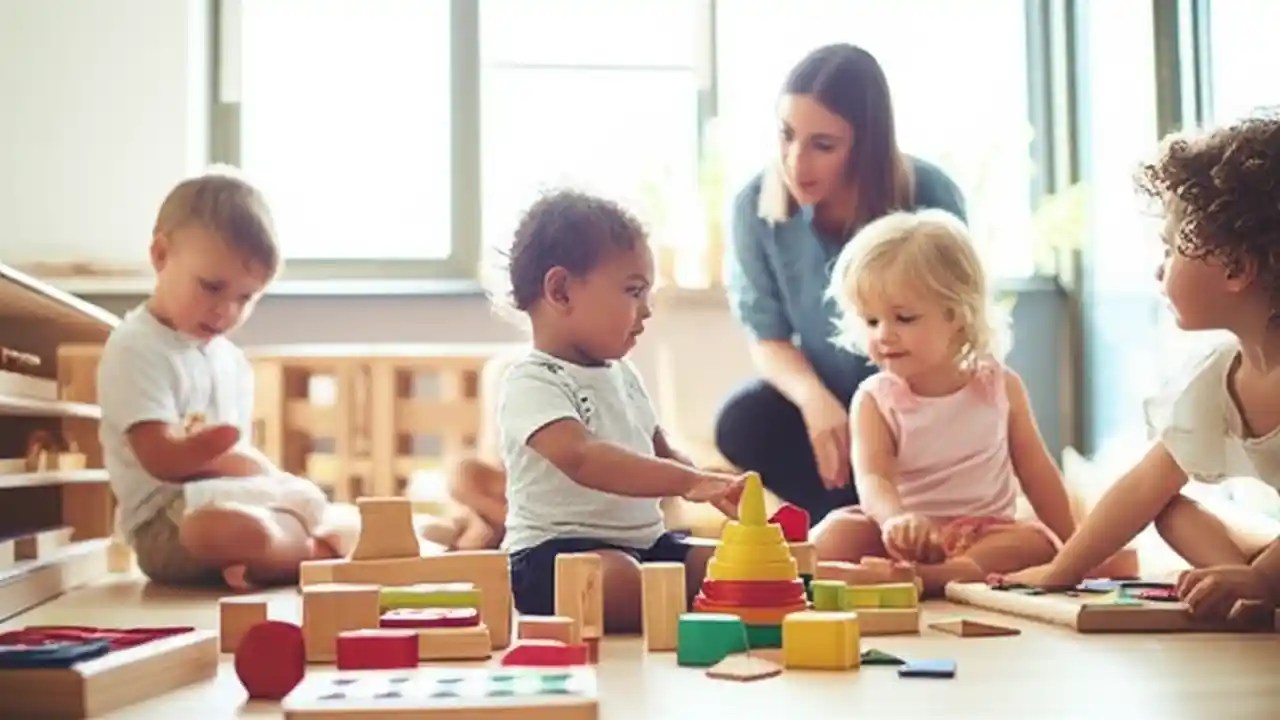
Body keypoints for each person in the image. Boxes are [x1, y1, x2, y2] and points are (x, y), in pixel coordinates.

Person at [1008, 116, 1280, 621]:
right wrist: (1061, 571)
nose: (1160, 267)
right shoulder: (1220, 376)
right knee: (1168, 511)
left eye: (1171, 247)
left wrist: (1264, 575)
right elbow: (1142, 487)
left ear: (1237, 270)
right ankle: (1246, 587)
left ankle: (1258, 583)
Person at [716, 43, 968, 522]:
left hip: (916, 396)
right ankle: (852, 520)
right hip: (831, 403)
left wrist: (886, 410)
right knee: (743, 421)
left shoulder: (929, 194)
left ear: (864, 145)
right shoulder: (755, 206)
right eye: (786, 135)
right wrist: (817, 403)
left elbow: (957, 329)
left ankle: (894, 514)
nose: (796, 160)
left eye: (822, 145)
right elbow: (767, 338)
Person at [494, 189, 744, 632]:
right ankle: (678, 613)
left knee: (730, 562)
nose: (646, 311)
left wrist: (712, 484)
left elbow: (661, 451)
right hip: (555, 556)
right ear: (560, 290)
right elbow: (583, 458)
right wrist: (688, 483)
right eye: (633, 291)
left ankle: (682, 606)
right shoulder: (532, 381)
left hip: (647, 545)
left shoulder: (624, 375)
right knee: (619, 580)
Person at [97, 168, 347, 590]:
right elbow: (159, 458)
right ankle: (306, 552)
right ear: (160, 256)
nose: (226, 312)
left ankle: (291, 550)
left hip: (226, 497)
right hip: (167, 524)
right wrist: (220, 447)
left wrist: (268, 478)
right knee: (225, 529)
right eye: (211, 287)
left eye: (245, 298)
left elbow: (239, 462)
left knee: (304, 504)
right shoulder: (136, 347)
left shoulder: (228, 359)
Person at [811, 209, 1074, 595]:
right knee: (834, 534)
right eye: (871, 321)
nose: (884, 334)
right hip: (903, 533)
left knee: (1033, 544)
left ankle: (931, 577)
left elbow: (1038, 474)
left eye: (903, 318)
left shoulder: (1000, 387)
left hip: (986, 533)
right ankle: (933, 576)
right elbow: (873, 478)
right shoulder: (875, 399)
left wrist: (1077, 546)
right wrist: (895, 521)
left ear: (956, 315)